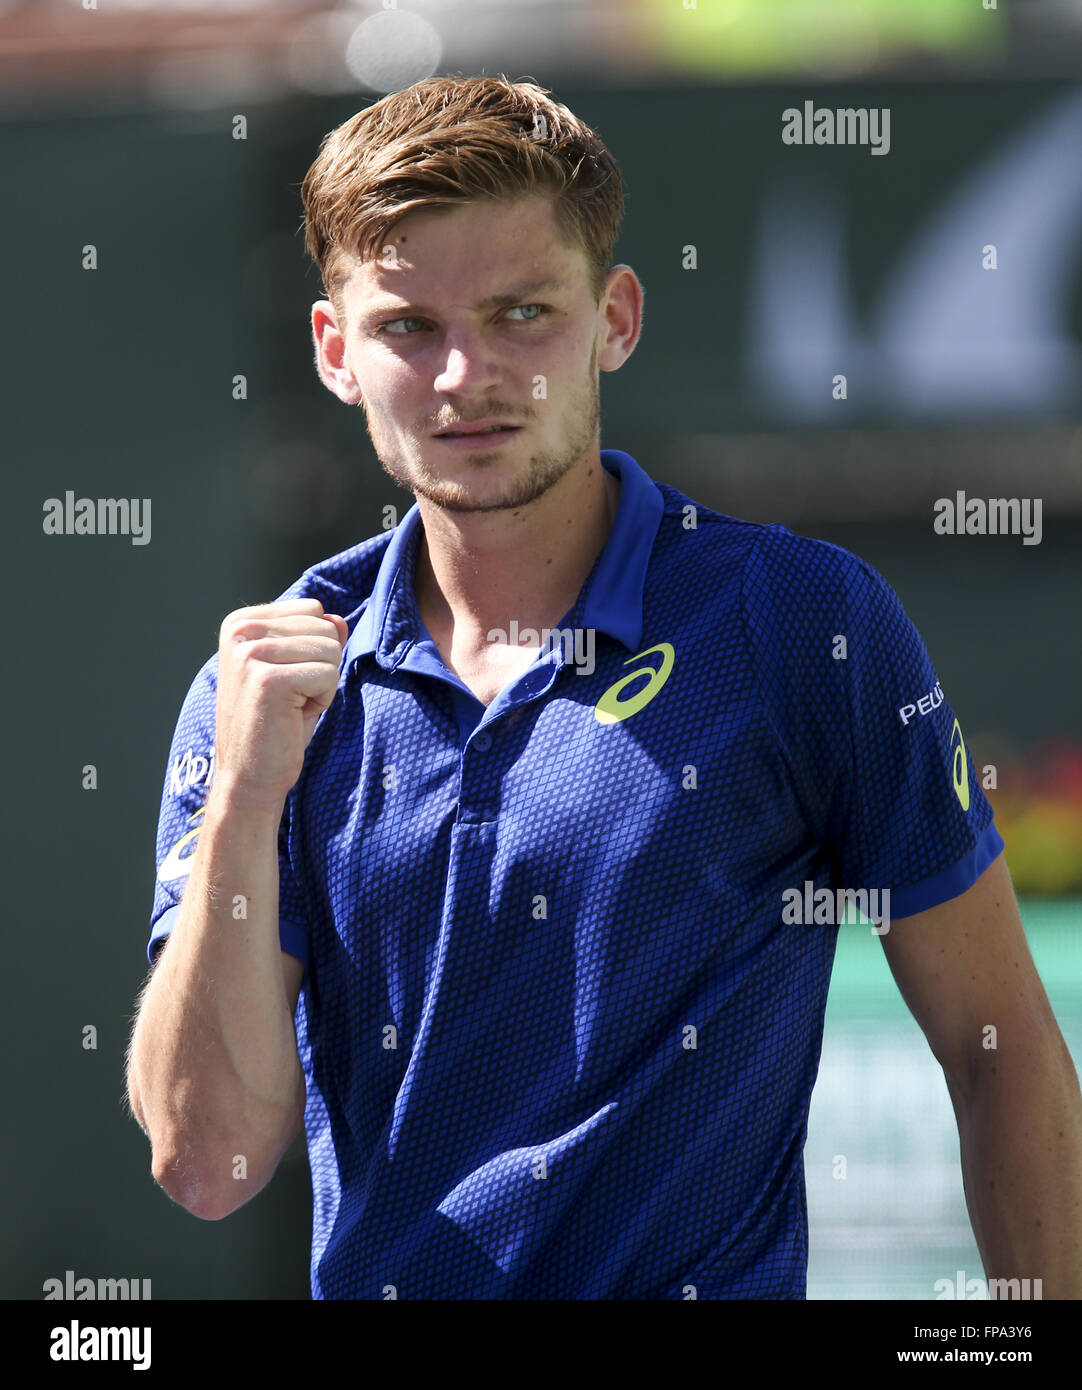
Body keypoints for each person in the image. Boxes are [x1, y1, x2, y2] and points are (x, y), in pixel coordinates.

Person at [125, 74, 1082, 1300]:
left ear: (614, 318)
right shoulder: (256, 691)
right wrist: (243, 805)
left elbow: (996, 1048)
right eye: (411, 327)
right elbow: (205, 1162)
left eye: (523, 313)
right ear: (334, 353)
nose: (469, 373)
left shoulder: (799, 620)